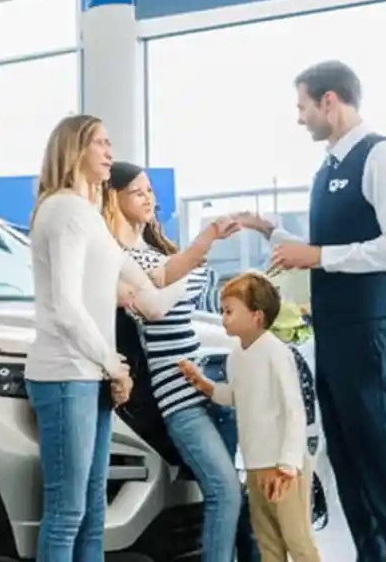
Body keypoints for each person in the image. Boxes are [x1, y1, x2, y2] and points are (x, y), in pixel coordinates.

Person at [236, 60, 386, 562]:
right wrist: (269, 230)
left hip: (373, 337)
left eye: (302, 106)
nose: (299, 118)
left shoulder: (382, 156)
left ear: (329, 101)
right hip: (338, 339)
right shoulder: (328, 169)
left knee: (384, 474)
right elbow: (321, 251)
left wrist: (319, 256)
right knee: (349, 469)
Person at [26, 114, 190, 562]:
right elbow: (64, 306)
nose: (109, 152)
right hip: (66, 376)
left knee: (91, 513)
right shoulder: (64, 211)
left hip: (90, 375)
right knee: (67, 513)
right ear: (75, 149)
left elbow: (151, 286)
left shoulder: (90, 218)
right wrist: (112, 362)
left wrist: (199, 255)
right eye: (100, 143)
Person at [102, 161, 253, 562]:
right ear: (113, 198)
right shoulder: (117, 255)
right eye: (137, 191)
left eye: (150, 190)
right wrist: (188, 274)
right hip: (175, 393)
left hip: (204, 380)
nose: (149, 197)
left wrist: (195, 254)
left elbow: (170, 284)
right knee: (223, 488)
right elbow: (152, 306)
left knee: (234, 491)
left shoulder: (154, 254)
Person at [178, 272, 322, 562]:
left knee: (297, 540)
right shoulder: (237, 356)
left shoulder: (276, 352)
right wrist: (203, 384)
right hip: (256, 464)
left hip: (284, 467)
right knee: (267, 541)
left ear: (256, 316)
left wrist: (288, 465)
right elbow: (234, 396)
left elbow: (294, 409)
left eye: (229, 311)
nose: (223, 318)